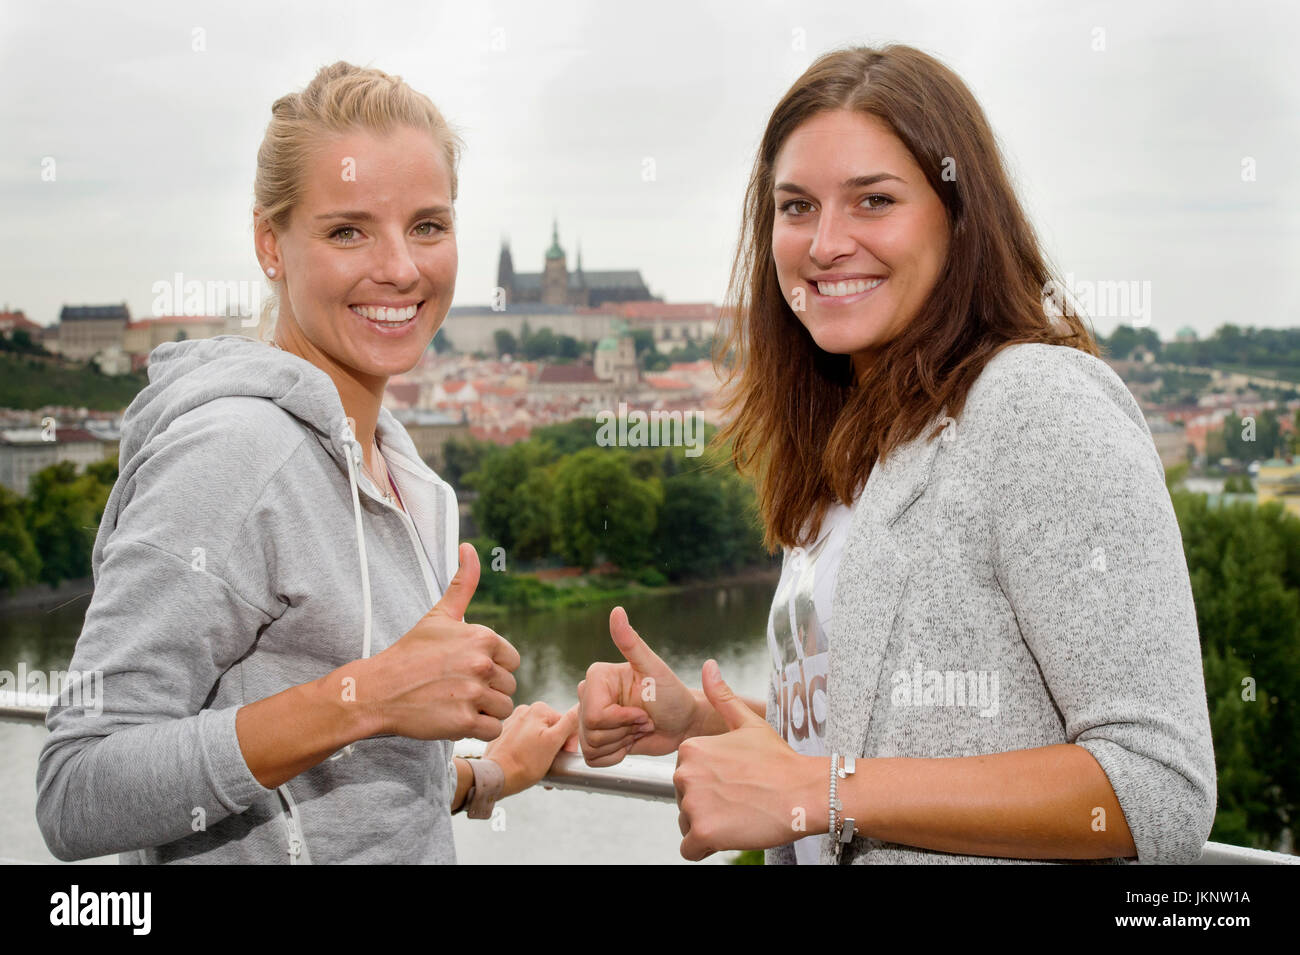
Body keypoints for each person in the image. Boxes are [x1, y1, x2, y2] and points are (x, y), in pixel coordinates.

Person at [577, 44, 1217, 865]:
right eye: (797, 207)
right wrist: (708, 723)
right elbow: (896, 737)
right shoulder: (850, 445)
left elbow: (1157, 787)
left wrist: (816, 791)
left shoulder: (1035, 404)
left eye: (873, 201)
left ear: (959, 214)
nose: (826, 243)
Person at [36, 61, 575, 864]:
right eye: (348, 230)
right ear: (270, 244)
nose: (400, 267)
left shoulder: (397, 466)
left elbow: (339, 786)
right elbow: (76, 791)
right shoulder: (235, 454)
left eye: (427, 225)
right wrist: (370, 696)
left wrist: (482, 775)